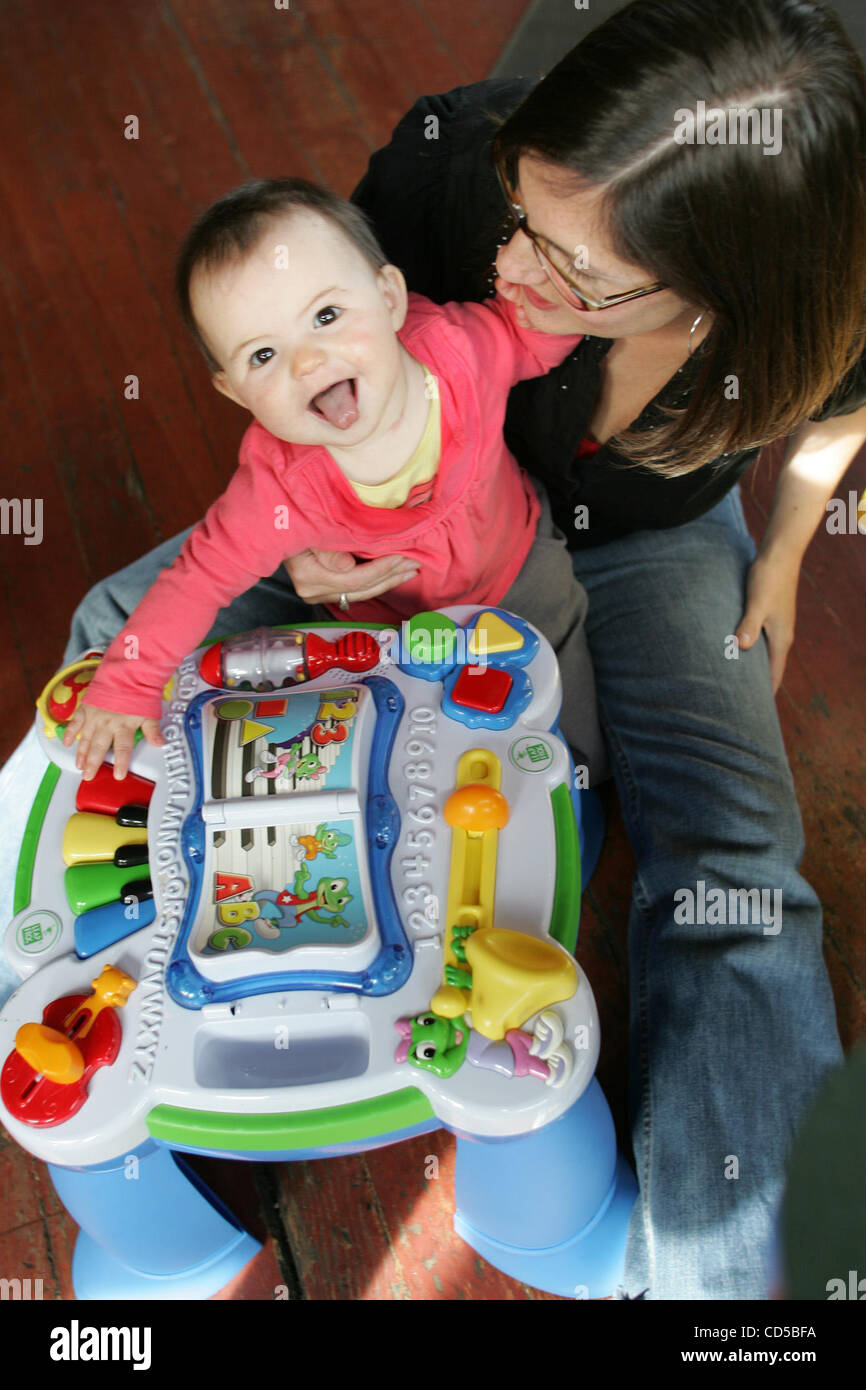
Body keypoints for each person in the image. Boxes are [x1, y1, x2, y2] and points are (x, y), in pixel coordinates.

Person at [57, 0, 866, 1298]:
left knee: (732, 859)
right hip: (395, 514)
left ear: (731, 289)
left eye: (579, 275)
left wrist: (776, 550)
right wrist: (313, 559)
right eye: (522, 219)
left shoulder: (810, 301)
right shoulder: (454, 173)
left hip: (631, 542)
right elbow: (307, 354)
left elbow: (832, 415)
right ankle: (164, 1058)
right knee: (115, 637)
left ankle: (741, 1284)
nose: (517, 275)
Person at [63, 178, 606, 783]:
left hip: (518, 570)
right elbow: (199, 579)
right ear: (233, 391)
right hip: (379, 625)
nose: (307, 361)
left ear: (390, 298)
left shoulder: (459, 350)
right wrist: (125, 687)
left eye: (326, 315)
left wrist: (564, 297)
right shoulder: (279, 486)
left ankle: (578, 780)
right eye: (262, 356)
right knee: (389, 739)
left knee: (565, 710)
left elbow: (529, 341)